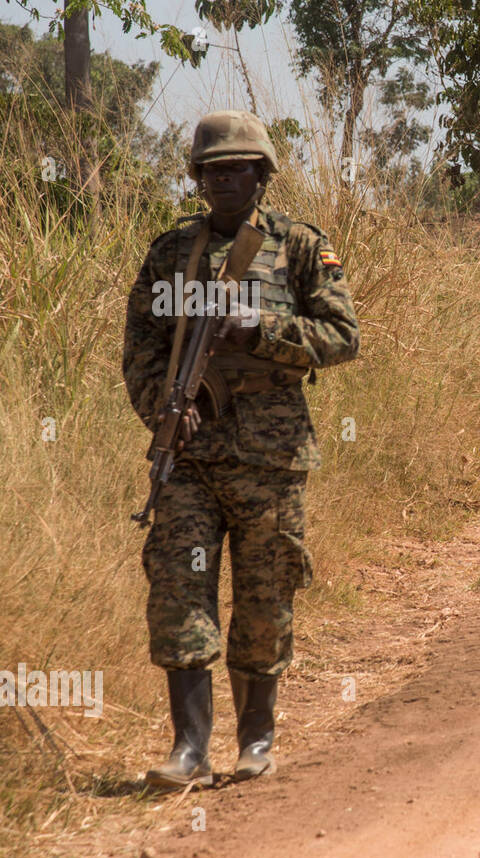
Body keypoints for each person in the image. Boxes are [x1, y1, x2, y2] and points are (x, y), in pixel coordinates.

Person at [123, 110, 360, 787]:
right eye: (213, 169)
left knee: (264, 599)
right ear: (198, 179)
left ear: (261, 174)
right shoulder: (172, 253)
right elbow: (140, 344)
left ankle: (254, 742)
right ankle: (188, 751)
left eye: (238, 168)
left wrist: (262, 330)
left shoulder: (301, 246)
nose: (225, 179)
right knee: (177, 592)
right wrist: (165, 410)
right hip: (189, 460)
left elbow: (343, 337)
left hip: (270, 459)